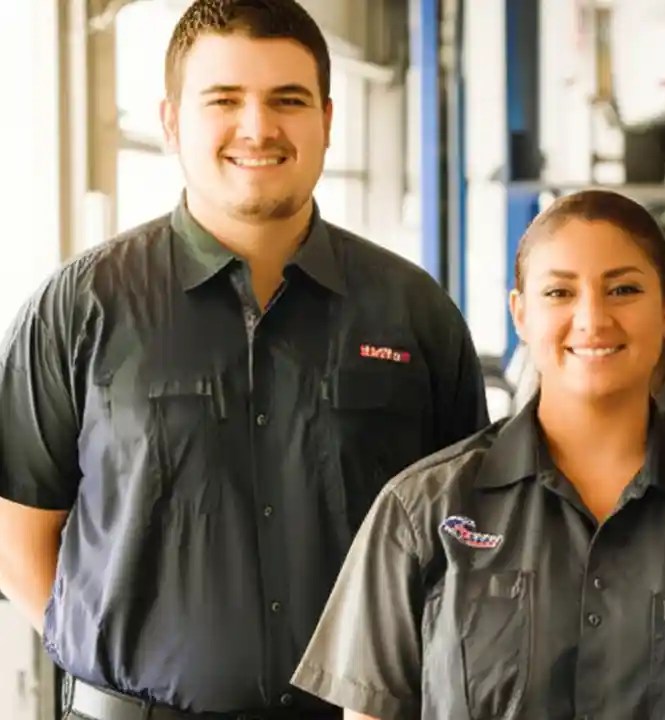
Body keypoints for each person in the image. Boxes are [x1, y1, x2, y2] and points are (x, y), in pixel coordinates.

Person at [0, 1, 488, 717]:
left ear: (326, 118)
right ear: (171, 121)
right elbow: (19, 534)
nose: (258, 128)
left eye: (287, 101)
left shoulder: (413, 313)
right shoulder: (80, 308)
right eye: (224, 100)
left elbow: (462, 537)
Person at [288, 189, 665, 720]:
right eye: (559, 292)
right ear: (521, 314)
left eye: (623, 289)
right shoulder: (419, 512)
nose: (592, 319)